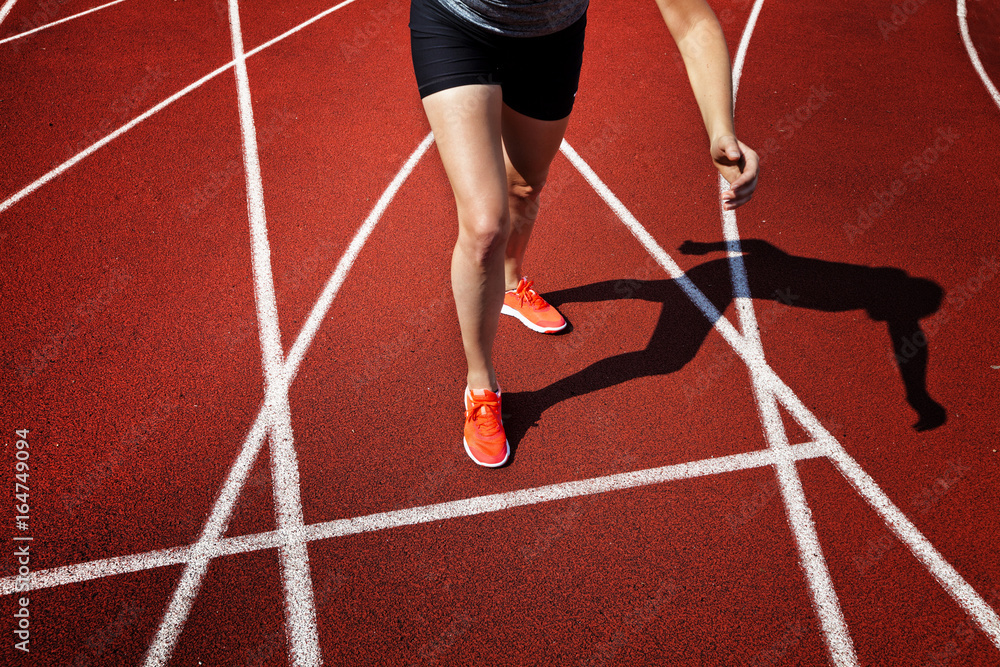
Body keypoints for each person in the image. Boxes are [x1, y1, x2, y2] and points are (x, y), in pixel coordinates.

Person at [409, 0, 760, 467]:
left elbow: (692, 19)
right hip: (458, 24)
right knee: (485, 226)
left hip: (550, 39)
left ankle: (512, 286)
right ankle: (481, 385)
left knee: (525, 186)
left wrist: (720, 127)